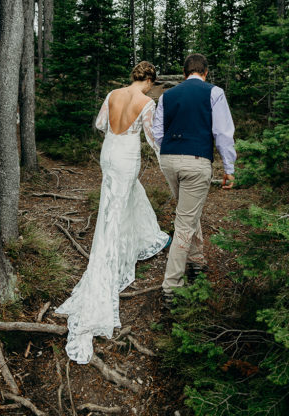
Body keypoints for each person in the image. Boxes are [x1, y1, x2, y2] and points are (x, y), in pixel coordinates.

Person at [56, 61, 171, 363]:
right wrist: (168, 155)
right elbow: (152, 138)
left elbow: (100, 124)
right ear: (148, 80)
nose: (151, 88)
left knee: (119, 199)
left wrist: (116, 130)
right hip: (127, 154)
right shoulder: (146, 102)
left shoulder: (112, 94)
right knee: (117, 206)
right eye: (152, 84)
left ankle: (142, 238)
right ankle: (110, 256)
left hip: (109, 152)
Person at [152, 54, 236, 309]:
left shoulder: (167, 96)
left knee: (189, 212)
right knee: (185, 223)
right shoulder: (214, 92)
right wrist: (229, 167)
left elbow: (157, 133)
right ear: (206, 72)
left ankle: (197, 261)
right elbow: (222, 132)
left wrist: (170, 151)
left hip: (169, 160)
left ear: (184, 72)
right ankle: (171, 286)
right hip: (196, 161)